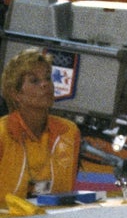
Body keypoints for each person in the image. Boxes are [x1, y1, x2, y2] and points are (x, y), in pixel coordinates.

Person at [0, 49, 80, 199]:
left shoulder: (69, 132)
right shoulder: (2, 133)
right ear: (15, 94)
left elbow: (65, 193)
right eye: (34, 80)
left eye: (48, 78)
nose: (45, 85)